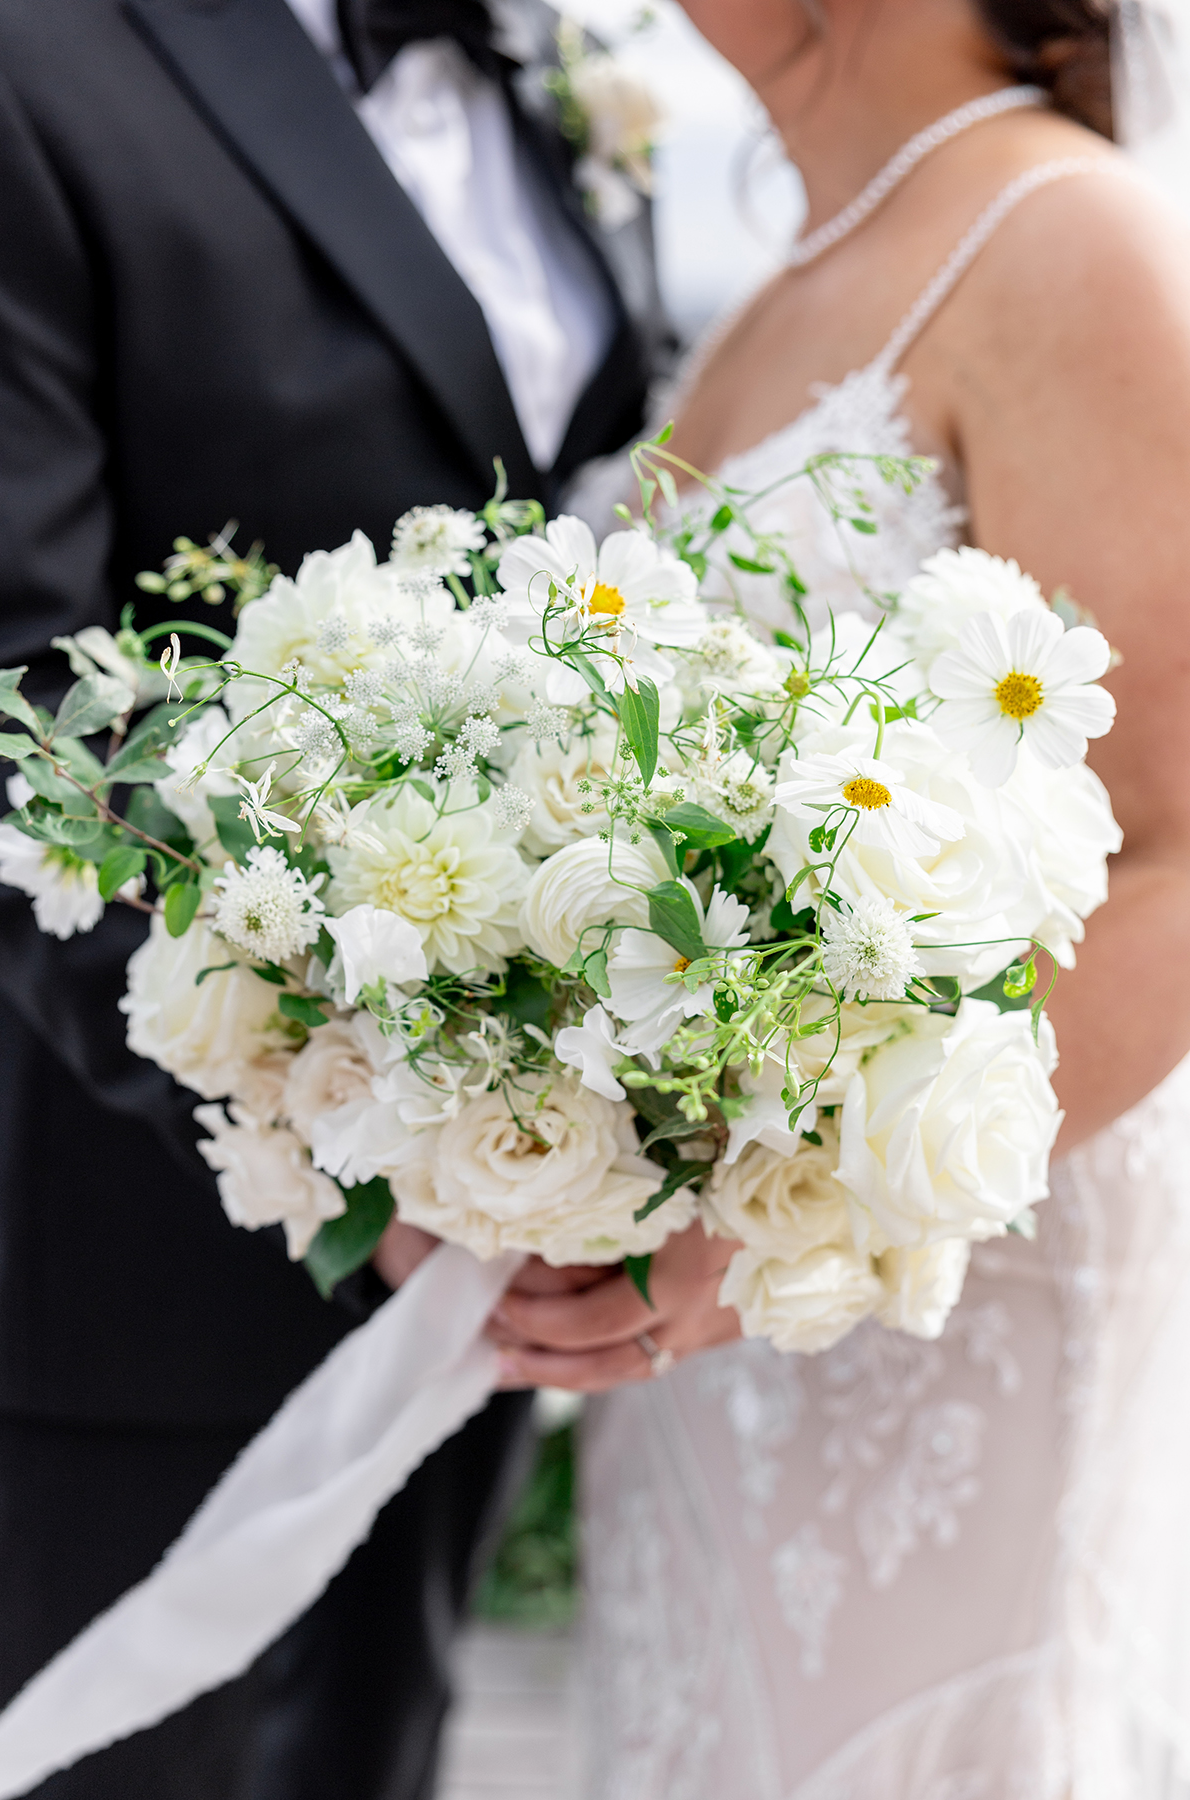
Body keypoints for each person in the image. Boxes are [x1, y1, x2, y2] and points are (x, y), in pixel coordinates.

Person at [488, 0, 1190, 1788]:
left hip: (944, 1302)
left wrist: (799, 1222)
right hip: (714, 1332)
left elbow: (1179, 856)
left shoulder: (1062, 235)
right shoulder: (783, 272)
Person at [0, 1, 666, 1794]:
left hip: (497, 1255)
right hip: (126, 1264)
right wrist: (367, 1136)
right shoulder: (29, 67)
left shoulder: (551, 76)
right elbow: (14, 705)